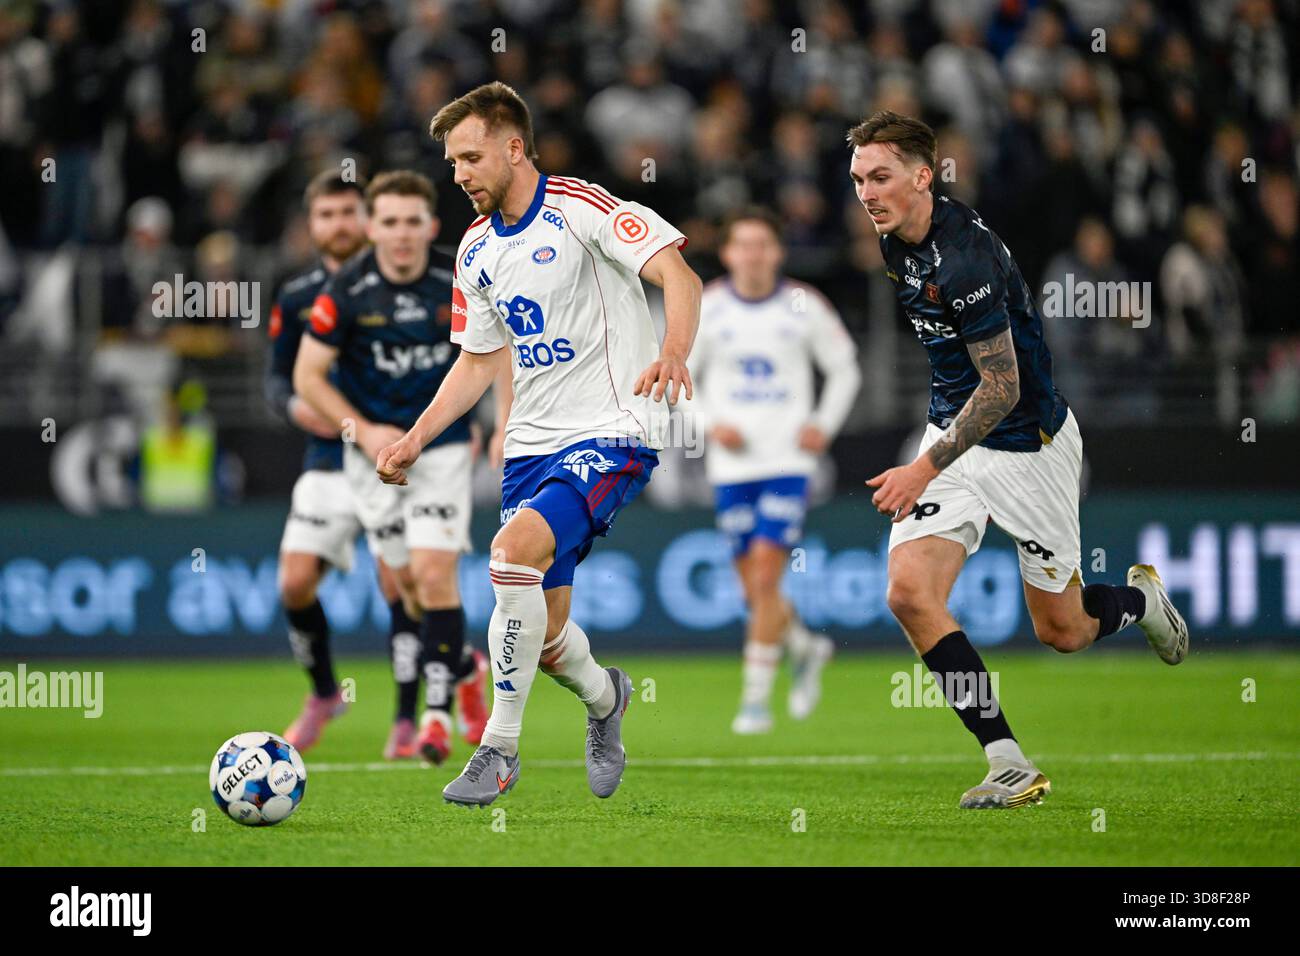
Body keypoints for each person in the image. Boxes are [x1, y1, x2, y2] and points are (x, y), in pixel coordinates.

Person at [849, 111, 1188, 809]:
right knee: (909, 593)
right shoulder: (895, 240)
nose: (866, 193)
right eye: (857, 179)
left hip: (1026, 444)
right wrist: (938, 457)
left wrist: (923, 467)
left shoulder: (965, 259)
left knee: (1061, 630)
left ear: (922, 177)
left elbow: (1002, 389)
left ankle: (1140, 600)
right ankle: (1008, 761)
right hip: (953, 437)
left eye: (879, 177)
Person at [376, 82, 702, 806]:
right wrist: (416, 439)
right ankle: (604, 698)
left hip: (612, 430)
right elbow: (477, 358)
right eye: (452, 162)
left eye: (469, 157)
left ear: (514, 147)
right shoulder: (475, 250)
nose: (457, 174)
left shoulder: (584, 209)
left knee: (509, 556)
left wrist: (674, 349)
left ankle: (497, 748)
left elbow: (677, 273)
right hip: (529, 446)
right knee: (546, 636)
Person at [293, 169, 494, 765]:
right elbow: (307, 377)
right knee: (403, 588)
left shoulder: (456, 279)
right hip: (371, 457)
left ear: (431, 226)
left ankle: (435, 719)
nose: (401, 234)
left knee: (434, 576)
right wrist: (359, 429)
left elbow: (495, 351)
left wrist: (500, 424)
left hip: (442, 446)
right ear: (370, 227)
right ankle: (465, 666)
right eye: (389, 222)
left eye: (413, 222)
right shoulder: (346, 292)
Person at [688, 206, 860, 734]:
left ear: (778, 252)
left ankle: (756, 700)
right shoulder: (709, 306)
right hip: (731, 465)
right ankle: (805, 646)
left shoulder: (804, 305)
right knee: (752, 590)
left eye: (764, 244)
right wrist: (709, 424)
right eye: (744, 245)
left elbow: (845, 368)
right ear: (728, 253)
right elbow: (681, 378)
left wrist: (823, 425)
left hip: (787, 460)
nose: (754, 255)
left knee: (765, 575)